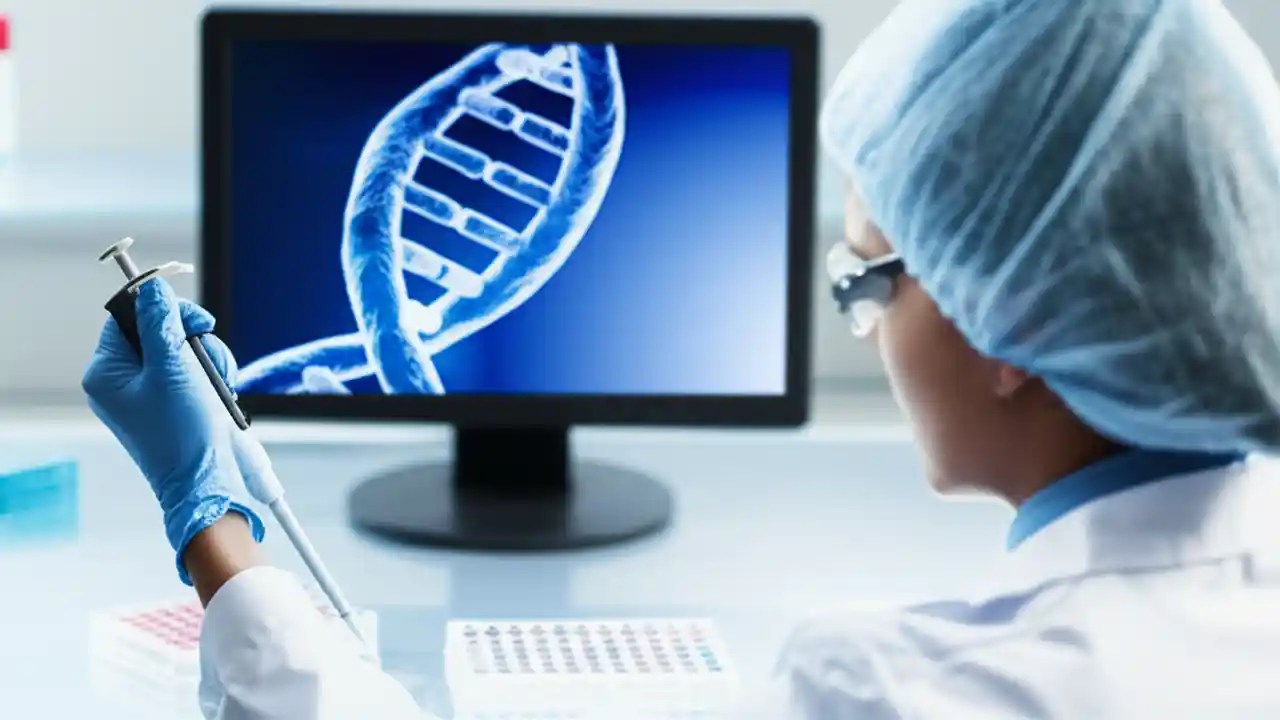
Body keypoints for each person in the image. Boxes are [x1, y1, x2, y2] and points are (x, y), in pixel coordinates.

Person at [83, 0, 1280, 717]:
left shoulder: (890, 688)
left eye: (866, 278)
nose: (864, 326)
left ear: (1001, 316)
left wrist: (209, 525)